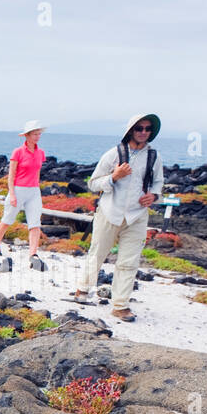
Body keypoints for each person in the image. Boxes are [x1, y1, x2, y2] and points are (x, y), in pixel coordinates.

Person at [71, 113, 164, 322]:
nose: (143, 132)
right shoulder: (114, 154)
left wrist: (154, 196)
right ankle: (82, 289)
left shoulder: (154, 157)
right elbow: (93, 183)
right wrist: (114, 177)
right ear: (131, 130)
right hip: (109, 211)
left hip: (137, 216)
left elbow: (158, 183)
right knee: (97, 253)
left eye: (148, 129)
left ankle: (120, 305)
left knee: (129, 261)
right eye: (139, 128)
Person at [0, 121, 47, 265]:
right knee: (8, 219)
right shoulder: (18, 152)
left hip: (34, 191)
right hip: (18, 189)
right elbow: (11, 175)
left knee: (35, 223)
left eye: (39, 134)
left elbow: (38, 172)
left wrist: (37, 188)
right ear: (27, 135)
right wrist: (13, 194)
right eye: (35, 134)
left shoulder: (40, 153)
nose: (37, 136)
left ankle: (33, 254)